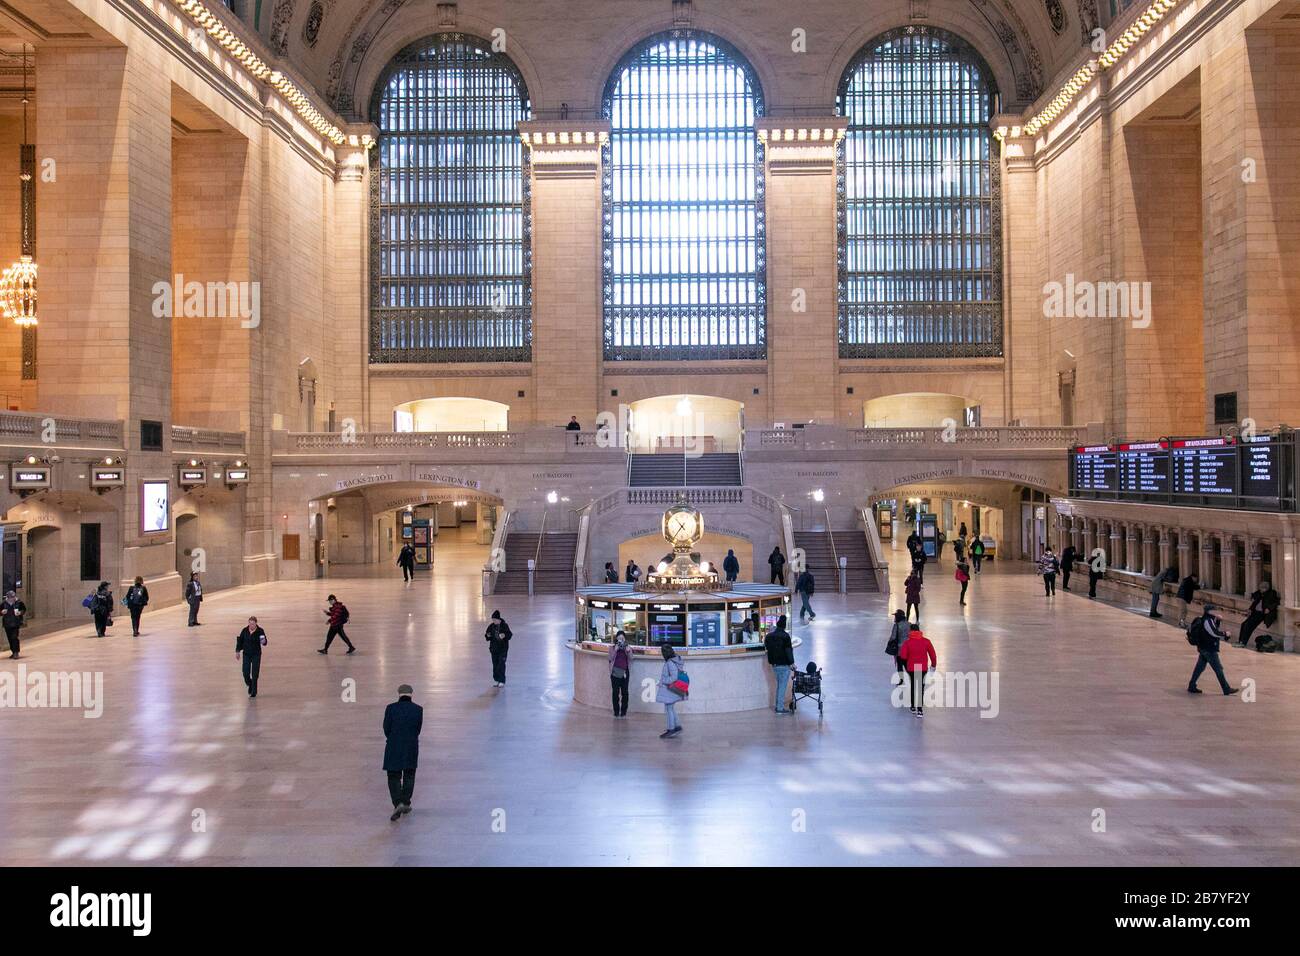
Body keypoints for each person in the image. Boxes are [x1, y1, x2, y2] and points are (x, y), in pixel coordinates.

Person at [382, 684, 424, 822]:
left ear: (398, 693)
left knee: (393, 775)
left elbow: (386, 728)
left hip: (394, 745)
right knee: (409, 774)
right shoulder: (418, 710)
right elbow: (418, 729)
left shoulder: (391, 708)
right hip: (411, 746)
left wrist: (393, 737)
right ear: (412, 694)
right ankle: (406, 802)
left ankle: (398, 802)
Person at [1187, 604, 1238, 696]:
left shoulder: (1208, 619)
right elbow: (1214, 632)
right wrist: (1225, 633)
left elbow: (1213, 629)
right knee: (1218, 669)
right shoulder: (1207, 620)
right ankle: (1226, 689)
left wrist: (1217, 620)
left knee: (1199, 668)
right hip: (1209, 649)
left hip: (1203, 647)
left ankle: (1192, 685)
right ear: (1209, 611)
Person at [897, 622, 937, 717]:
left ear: (910, 631)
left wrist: (906, 666)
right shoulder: (926, 641)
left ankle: (913, 706)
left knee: (913, 686)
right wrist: (933, 666)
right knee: (920, 687)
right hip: (922, 667)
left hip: (911, 667)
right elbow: (933, 655)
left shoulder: (907, 643)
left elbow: (903, 656)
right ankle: (920, 710)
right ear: (919, 631)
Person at [764, 614, 795, 714]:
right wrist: (792, 663)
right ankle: (780, 708)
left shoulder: (769, 636)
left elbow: (767, 648)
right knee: (782, 687)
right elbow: (788, 651)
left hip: (774, 665)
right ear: (784, 626)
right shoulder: (786, 636)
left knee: (779, 686)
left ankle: (778, 706)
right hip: (784, 665)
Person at [1237, 581, 1280, 648]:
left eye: (1262, 589)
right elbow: (1254, 602)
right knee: (1243, 624)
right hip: (1255, 612)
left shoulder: (1271, 593)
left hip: (1261, 614)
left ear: (1266, 588)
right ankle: (1240, 641)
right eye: (1260, 588)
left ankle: (1243, 643)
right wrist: (1250, 609)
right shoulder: (1259, 593)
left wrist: (1269, 608)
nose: (1260, 590)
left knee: (1249, 626)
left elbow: (1276, 602)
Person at [655, 645, 686, 738]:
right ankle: (677, 726)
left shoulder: (670, 663)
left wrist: (663, 681)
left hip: (670, 689)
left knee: (669, 709)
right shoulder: (674, 660)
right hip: (672, 690)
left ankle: (671, 729)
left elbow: (674, 677)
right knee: (671, 708)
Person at [235, 616, 267, 698]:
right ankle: (250, 684)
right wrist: (237, 651)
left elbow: (264, 642)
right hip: (246, 654)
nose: (251, 625)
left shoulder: (260, 631)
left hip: (256, 654)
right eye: (249, 623)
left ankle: (253, 691)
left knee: (255, 673)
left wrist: (263, 641)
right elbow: (240, 641)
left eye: (252, 624)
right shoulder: (244, 630)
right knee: (245, 672)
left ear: (256, 623)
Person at [485, 610, 512, 687]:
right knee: (495, 665)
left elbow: (509, 635)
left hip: (502, 649)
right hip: (494, 649)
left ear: (498, 619)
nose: (493, 621)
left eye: (494, 620)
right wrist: (488, 635)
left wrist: (504, 635)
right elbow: (487, 635)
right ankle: (496, 679)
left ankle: (502, 681)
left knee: (501, 664)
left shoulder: (504, 626)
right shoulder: (491, 626)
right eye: (492, 620)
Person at [608, 630, 631, 717]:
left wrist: (628, 651)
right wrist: (615, 650)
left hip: (625, 673)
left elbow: (632, 658)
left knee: (625, 692)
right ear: (616, 638)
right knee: (615, 692)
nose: (621, 639)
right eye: (619, 638)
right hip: (615, 673)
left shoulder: (628, 647)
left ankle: (624, 711)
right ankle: (616, 711)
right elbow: (610, 658)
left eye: (622, 638)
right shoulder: (612, 648)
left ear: (625, 639)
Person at [1, 591, 25, 659]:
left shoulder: (19, 602)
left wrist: (20, 612)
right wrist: (2, 612)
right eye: (10, 598)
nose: (12, 599)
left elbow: (24, 609)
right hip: (7, 623)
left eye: (13, 597)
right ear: (7, 597)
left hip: (16, 623)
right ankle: (13, 651)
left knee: (14, 637)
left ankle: (16, 652)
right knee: (10, 639)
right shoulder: (3, 603)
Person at [886, 609, 909, 676]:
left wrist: (889, 643)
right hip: (908, 648)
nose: (895, 618)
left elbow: (893, 637)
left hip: (899, 649)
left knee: (899, 665)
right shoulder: (909, 624)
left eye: (896, 616)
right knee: (907, 663)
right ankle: (911, 678)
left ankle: (901, 680)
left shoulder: (897, 625)